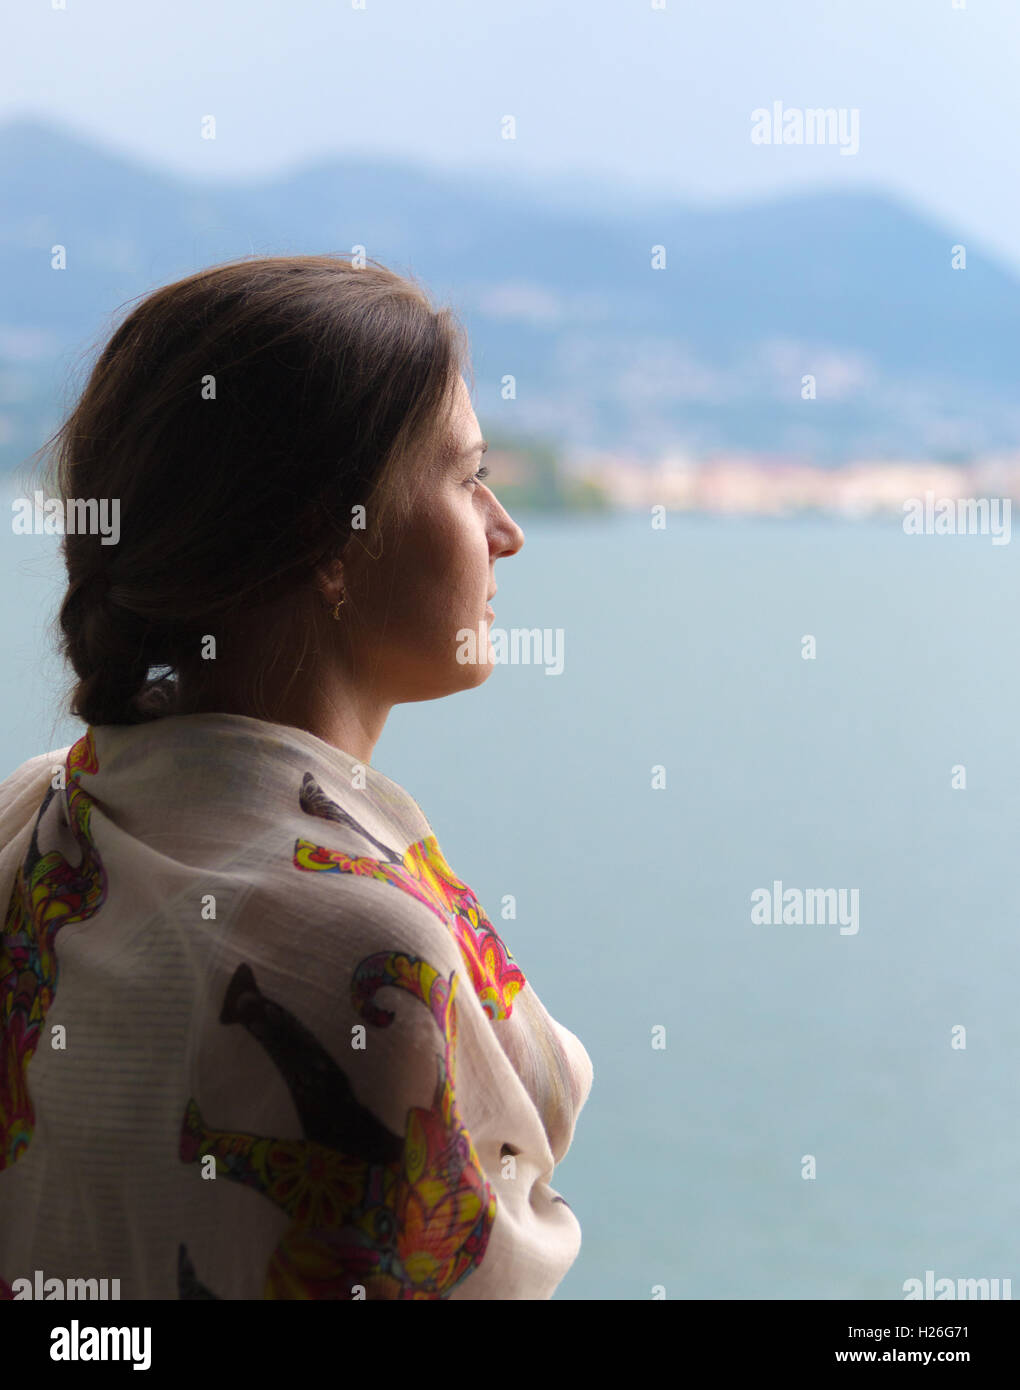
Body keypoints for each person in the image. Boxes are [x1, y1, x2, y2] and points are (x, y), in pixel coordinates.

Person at [0, 254, 593, 1300]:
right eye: (466, 478)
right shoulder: (365, 950)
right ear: (332, 537)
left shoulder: (38, 816)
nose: (508, 530)